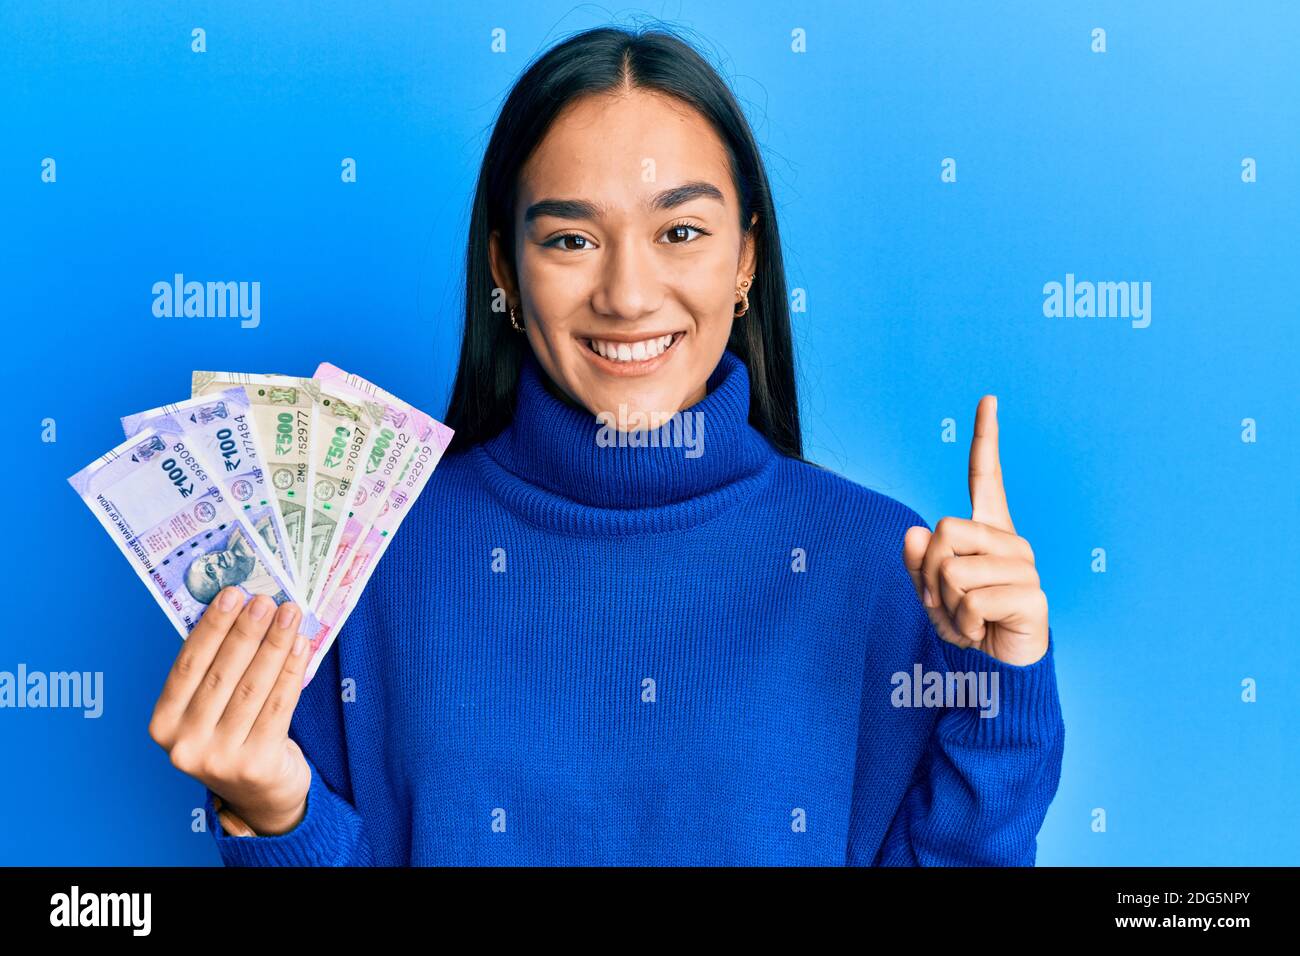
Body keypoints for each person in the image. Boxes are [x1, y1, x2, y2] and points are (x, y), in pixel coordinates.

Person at [148, 25, 1063, 866]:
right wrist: (277, 820)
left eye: (680, 231)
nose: (627, 294)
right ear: (506, 270)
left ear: (745, 260)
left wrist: (1003, 690)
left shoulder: (883, 566)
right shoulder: (357, 554)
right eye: (572, 238)